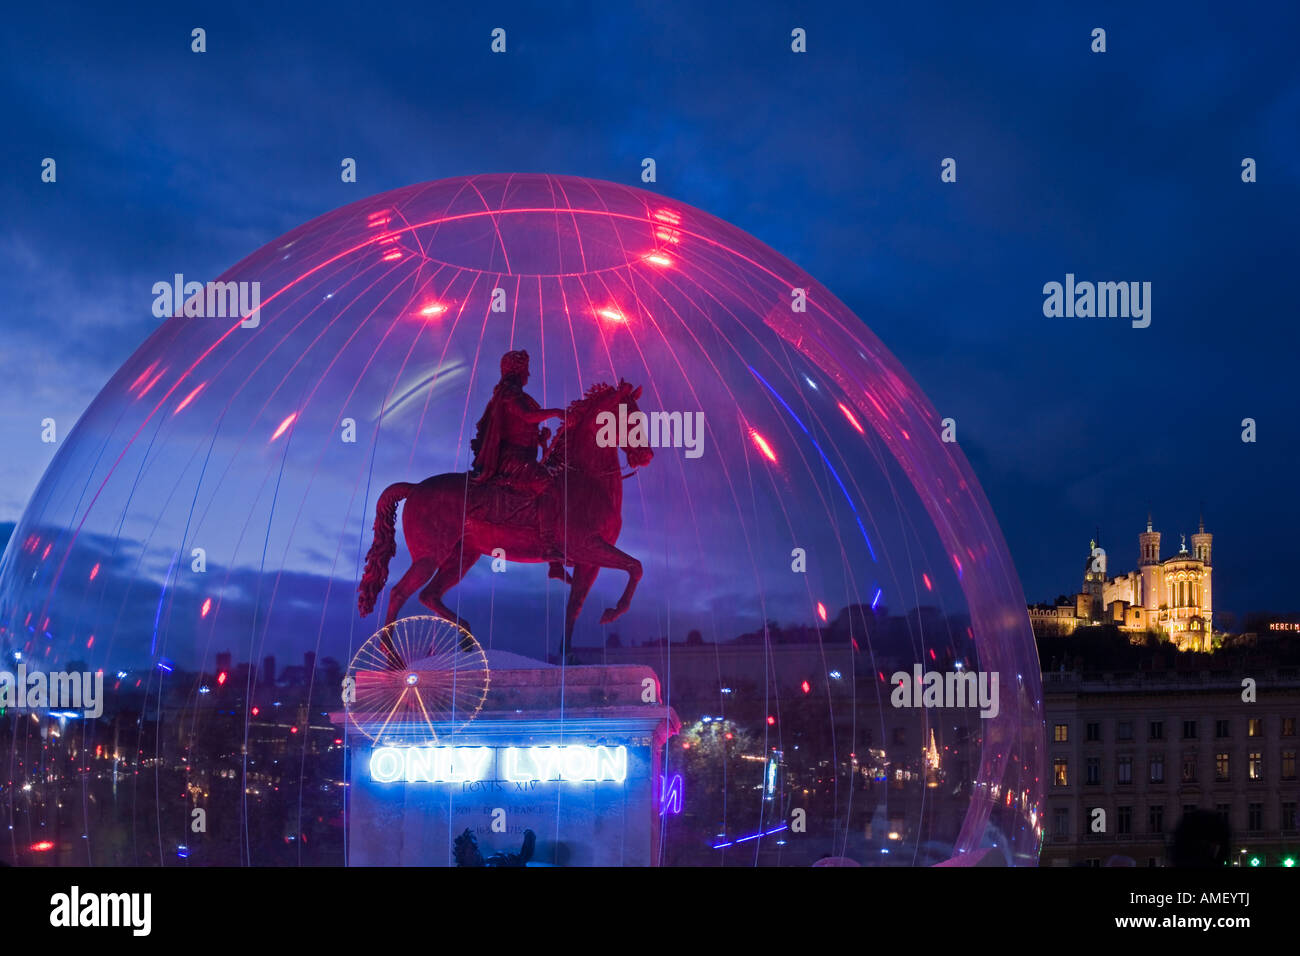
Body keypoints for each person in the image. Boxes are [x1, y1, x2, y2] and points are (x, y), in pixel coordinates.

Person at [469, 350, 566, 577]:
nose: (528, 375)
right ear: (516, 371)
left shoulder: (514, 394)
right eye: (525, 370)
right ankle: (549, 544)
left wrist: (540, 440)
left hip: (524, 456)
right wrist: (556, 412)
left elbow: (523, 426)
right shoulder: (509, 393)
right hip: (513, 460)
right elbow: (526, 416)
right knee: (548, 486)